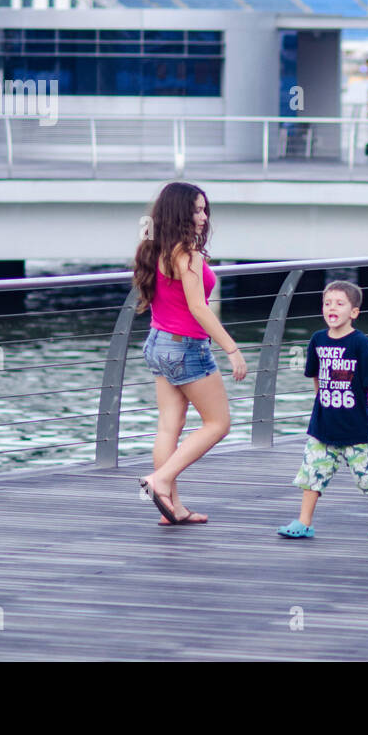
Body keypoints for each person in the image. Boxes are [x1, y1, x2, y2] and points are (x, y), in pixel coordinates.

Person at [134, 182, 248, 525]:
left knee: (169, 426)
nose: (203, 216)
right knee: (219, 423)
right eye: (196, 210)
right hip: (186, 347)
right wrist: (232, 349)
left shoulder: (153, 249)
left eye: (204, 209)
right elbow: (199, 308)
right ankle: (160, 480)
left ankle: (173, 508)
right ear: (180, 213)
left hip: (158, 343)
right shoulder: (187, 254)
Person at [277, 281, 368, 539]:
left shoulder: (360, 343)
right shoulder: (318, 340)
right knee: (312, 472)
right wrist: (321, 400)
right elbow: (315, 375)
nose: (331, 307)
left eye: (339, 303)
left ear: (353, 312)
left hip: (353, 427)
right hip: (322, 425)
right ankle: (304, 521)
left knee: (365, 475)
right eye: (327, 303)